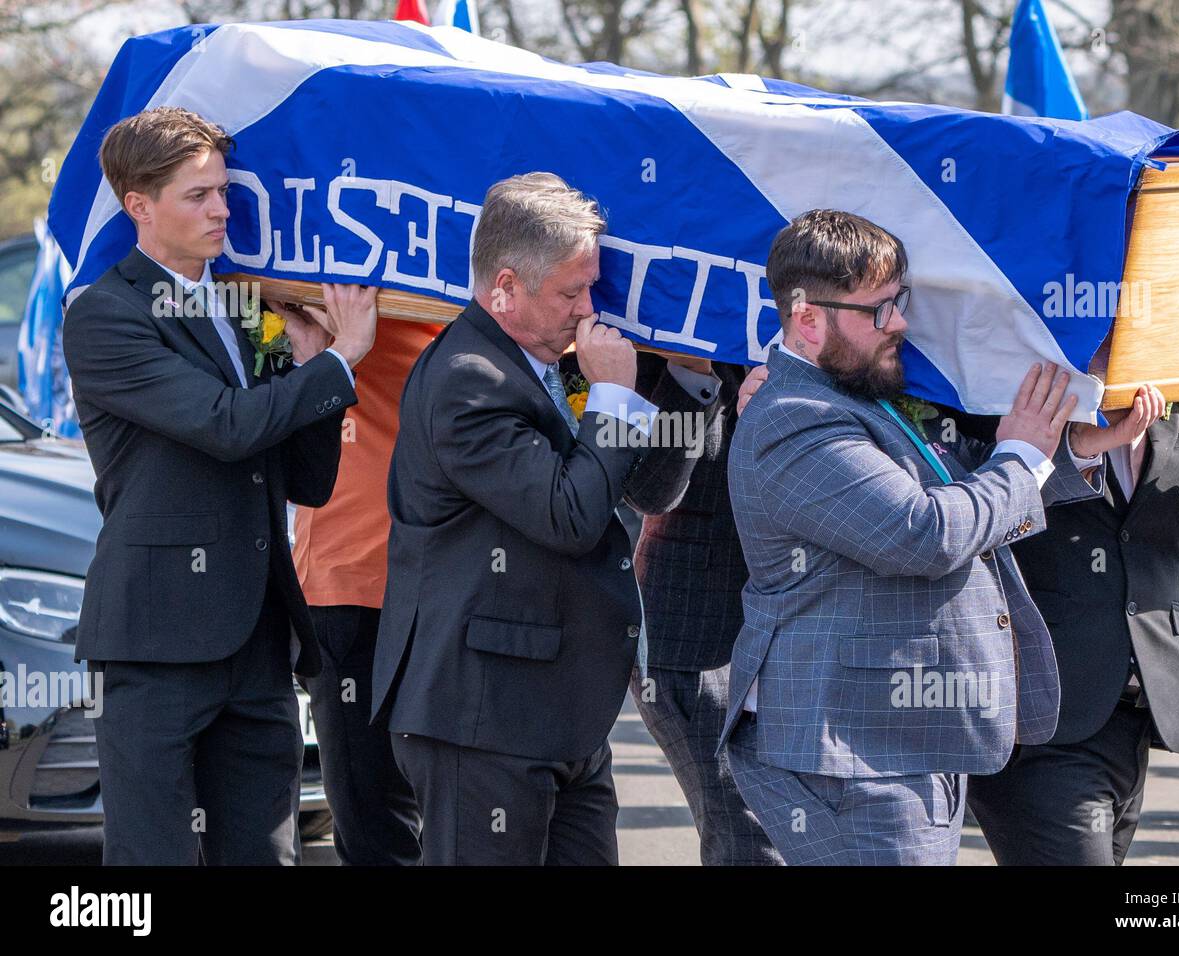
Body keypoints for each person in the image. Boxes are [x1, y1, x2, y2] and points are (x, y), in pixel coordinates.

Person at [721, 208, 1129, 865]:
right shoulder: (795, 418)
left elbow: (954, 492)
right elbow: (923, 531)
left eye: (899, 302)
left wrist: (1065, 449)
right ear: (806, 319)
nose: (901, 324)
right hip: (851, 749)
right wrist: (1021, 457)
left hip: (891, 738)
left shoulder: (854, 397)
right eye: (879, 309)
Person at [62, 107, 377, 864]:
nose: (222, 210)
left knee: (266, 856)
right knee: (153, 861)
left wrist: (308, 369)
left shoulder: (247, 308)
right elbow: (225, 425)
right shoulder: (106, 314)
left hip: (260, 636)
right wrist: (342, 361)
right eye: (197, 195)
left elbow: (302, 475)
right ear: (139, 206)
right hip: (157, 640)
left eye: (223, 192)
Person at [371, 172, 716, 865]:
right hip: (484, 718)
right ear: (506, 286)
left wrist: (685, 381)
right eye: (571, 291)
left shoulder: (554, 363)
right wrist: (616, 397)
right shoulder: (470, 377)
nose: (589, 307)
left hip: (565, 715)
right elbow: (569, 514)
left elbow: (650, 490)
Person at [967, 338, 1179, 864]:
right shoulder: (1015, 395)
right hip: (1040, 721)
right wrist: (1082, 448)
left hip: (1135, 712)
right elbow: (974, 516)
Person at [290, 314, 442, 864]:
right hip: (351, 583)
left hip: (448, 589)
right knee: (377, 823)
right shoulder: (334, 278)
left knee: (460, 820)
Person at [624, 356, 782, 866]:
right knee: (754, 838)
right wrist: (693, 376)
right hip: (700, 639)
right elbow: (651, 492)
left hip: (805, 627)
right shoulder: (659, 339)